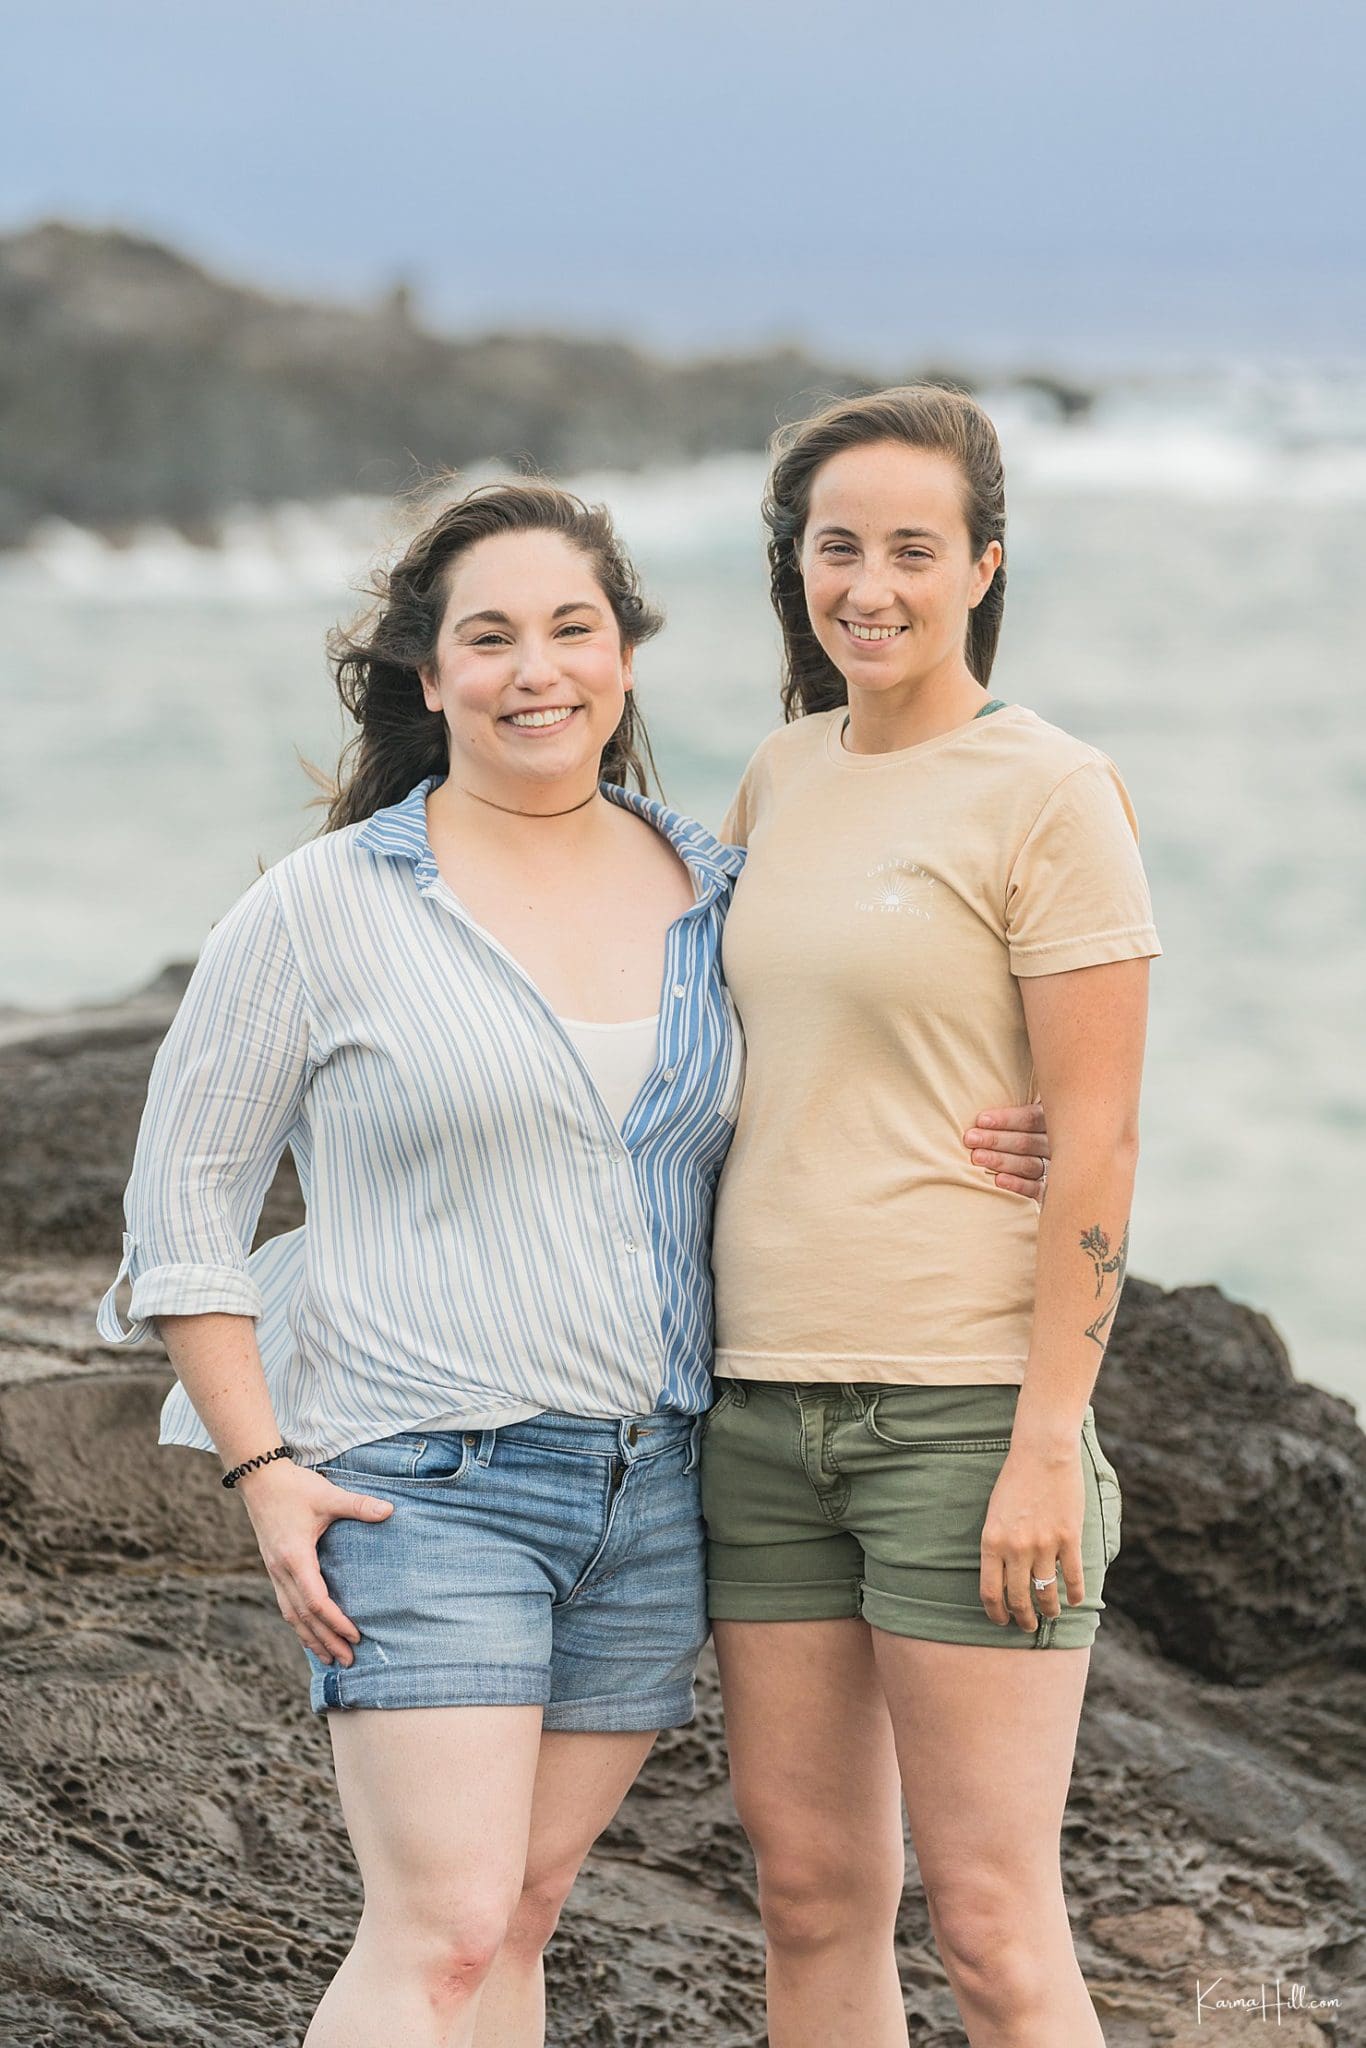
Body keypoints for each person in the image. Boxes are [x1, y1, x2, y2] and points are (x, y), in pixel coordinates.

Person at [96, 476, 1052, 2048]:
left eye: (570, 629)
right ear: (430, 677)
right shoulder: (326, 906)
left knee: (523, 1916)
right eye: (489, 637)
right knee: (448, 1929)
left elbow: (850, 1057)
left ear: (622, 658)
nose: (534, 669)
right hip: (425, 1479)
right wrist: (262, 1466)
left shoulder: (713, 893)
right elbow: (180, 1211)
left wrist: (1007, 1133)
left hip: (660, 1486)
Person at [701, 386, 1160, 2047]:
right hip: (755, 1413)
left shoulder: (1048, 790)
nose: (869, 586)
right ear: (796, 567)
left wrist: (1051, 1436)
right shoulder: (775, 774)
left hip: (964, 1418)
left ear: (980, 565)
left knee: (986, 1924)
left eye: (911, 548)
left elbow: (1096, 1138)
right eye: (837, 547)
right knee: (811, 1897)